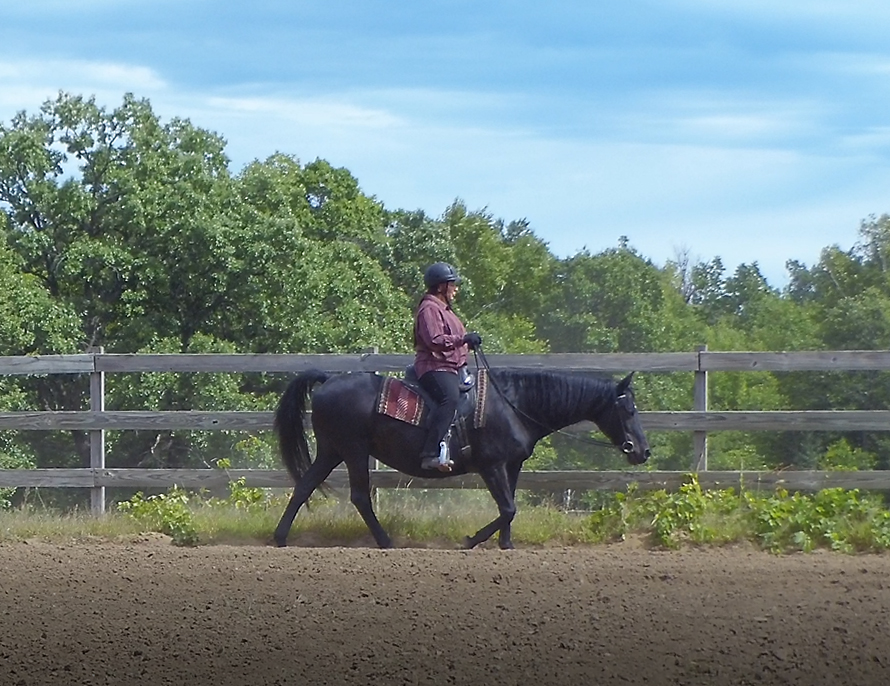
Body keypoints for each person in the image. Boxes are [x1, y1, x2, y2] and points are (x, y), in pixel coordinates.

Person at [413, 262, 483, 472]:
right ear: (441, 286)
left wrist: (467, 344)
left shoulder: (445, 310)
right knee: (449, 398)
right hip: (433, 367)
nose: (455, 289)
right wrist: (462, 339)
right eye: (452, 285)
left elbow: (452, 342)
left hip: (450, 367)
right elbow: (434, 339)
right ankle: (430, 453)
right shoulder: (429, 309)